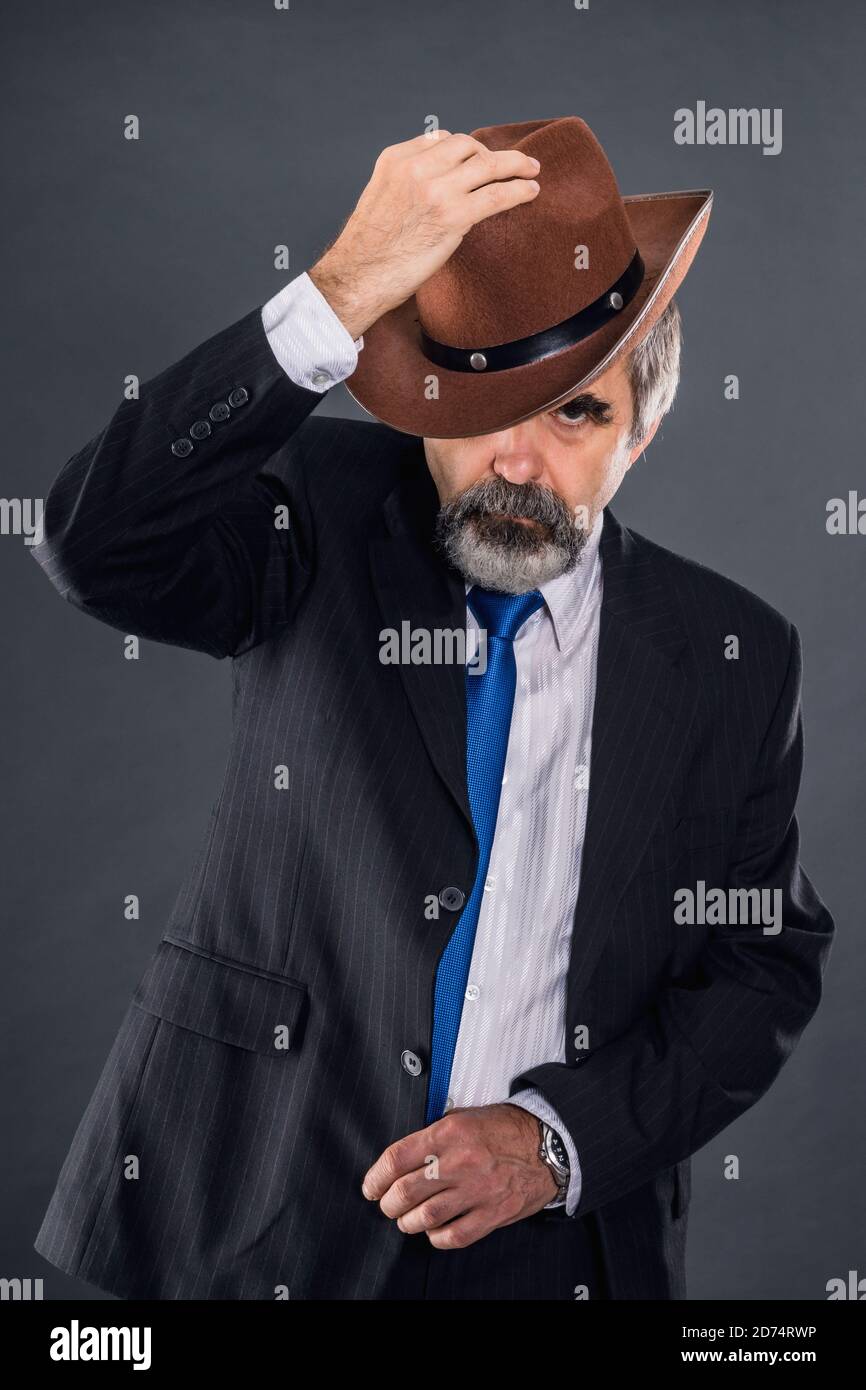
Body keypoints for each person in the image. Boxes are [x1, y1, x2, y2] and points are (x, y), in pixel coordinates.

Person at [31, 116, 834, 1301]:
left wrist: (557, 1142)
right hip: (250, 1216)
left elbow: (760, 965)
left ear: (646, 424)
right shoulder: (312, 512)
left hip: (557, 1252)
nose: (516, 460)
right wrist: (340, 286)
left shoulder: (736, 655)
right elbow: (96, 543)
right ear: (422, 406)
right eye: (483, 401)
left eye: (577, 413)